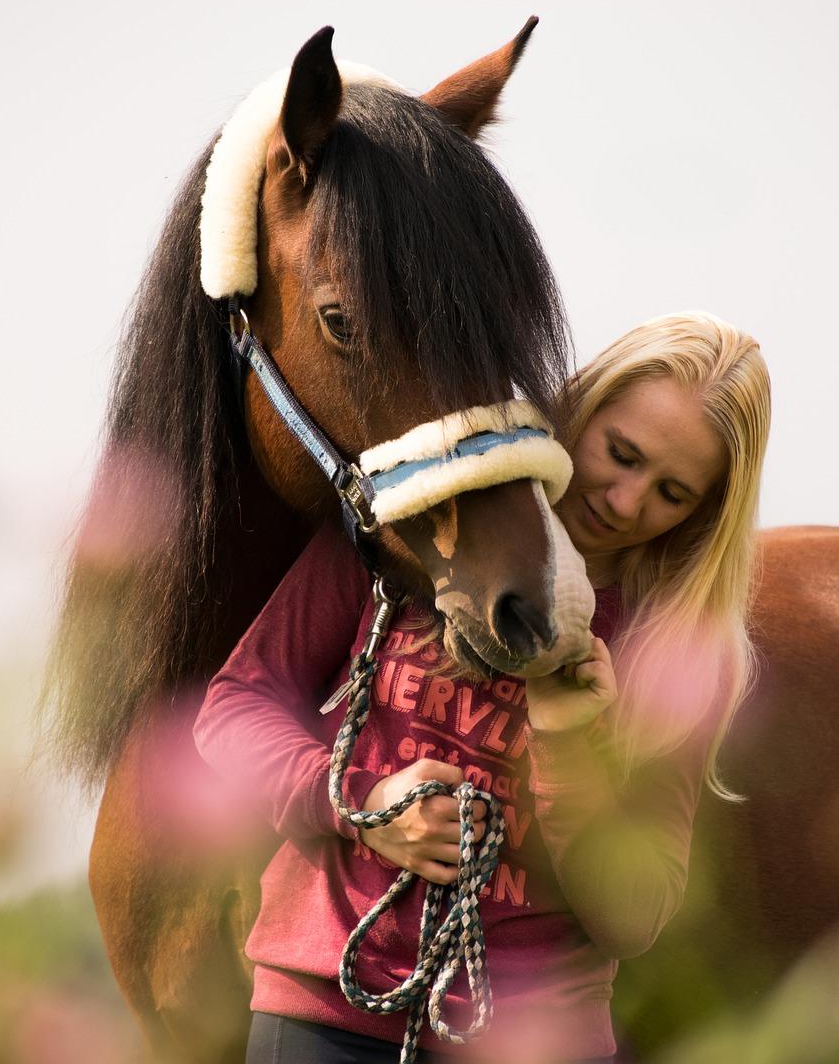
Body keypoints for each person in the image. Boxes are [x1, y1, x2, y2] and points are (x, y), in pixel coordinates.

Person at [192, 311, 771, 1064]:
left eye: (671, 493)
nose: (625, 502)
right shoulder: (418, 517)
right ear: (581, 409)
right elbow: (235, 707)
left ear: (705, 511)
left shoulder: (678, 649)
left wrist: (567, 745)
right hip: (327, 1005)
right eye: (619, 453)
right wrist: (365, 806)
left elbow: (636, 916)